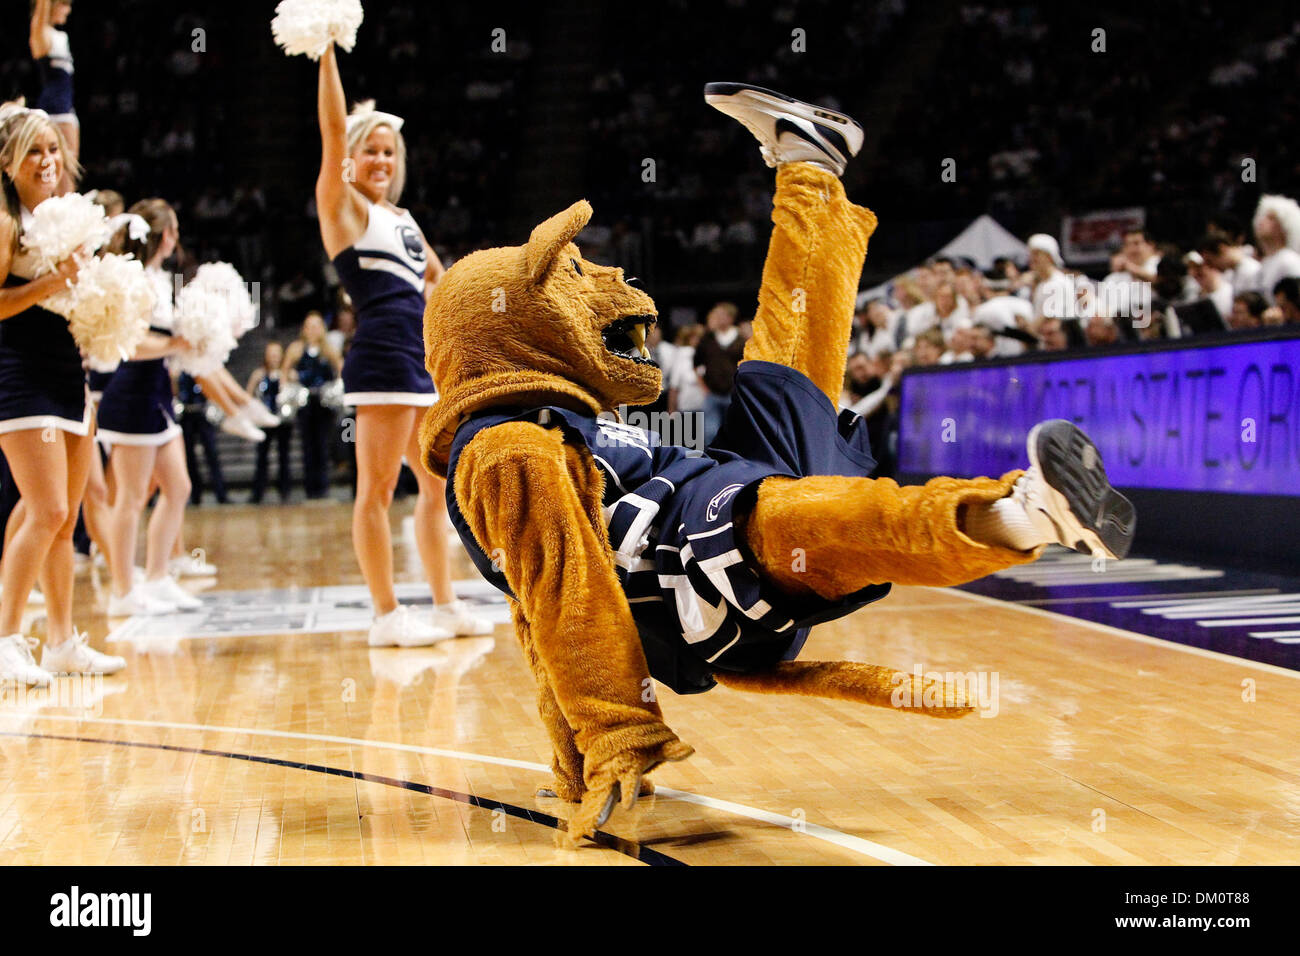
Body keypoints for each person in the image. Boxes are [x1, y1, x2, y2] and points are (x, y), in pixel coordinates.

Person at [312, 41, 490, 645]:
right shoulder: (343, 208)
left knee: (436, 486)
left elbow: (441, 280)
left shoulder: (404, 219)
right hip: (383, 356)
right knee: (378, 489)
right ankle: (386, 615)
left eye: (389, 151)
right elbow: (332, 131)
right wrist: (327, 49)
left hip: (420, 359)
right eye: (370, 151)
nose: (381, 160)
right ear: (351, 159)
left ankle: (443, 603)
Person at [0, 103, 122, 684]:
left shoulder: (60, 215)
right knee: (45, 509)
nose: (47, 160)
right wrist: (57, 279)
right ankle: (5, 639)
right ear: (8, 161)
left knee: (66, 515)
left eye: (52, 149)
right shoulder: (4, 221)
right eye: (34, 151)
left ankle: (61, 642)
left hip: (65, 369)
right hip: (18, 373)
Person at [97, 199, 201, 616]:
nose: (177, 237)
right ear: (165, 234)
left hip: (158, 391)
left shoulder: (160, 278)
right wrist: (177, 344)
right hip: (132, 394)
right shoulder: (135, 278)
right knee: (131, 498)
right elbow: (129, 345)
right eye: (174, 229)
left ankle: (157, 579)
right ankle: (124, 591)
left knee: (178, 488)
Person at [282, 311, 342, 498]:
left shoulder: (328, 348)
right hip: (304, 402)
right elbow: (285, 371)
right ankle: (310, 488)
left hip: (324, 401)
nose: (313, 329)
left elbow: (340, 368)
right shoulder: (296, 348)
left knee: (323, 444)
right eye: (309, 325)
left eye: (317, 325)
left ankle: (323, 487)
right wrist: (288, 385)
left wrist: (337, 389)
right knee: (307, 445)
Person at [27, 1, 77, 195]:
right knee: (59, 172)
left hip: (67, 109)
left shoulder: (61, 36)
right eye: (64, 4)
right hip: (54, 112)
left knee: (69, 171)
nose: (68, 10)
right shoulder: (42, 33)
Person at [246, 342, 291, 503]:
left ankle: (285, 491)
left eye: (277, 353)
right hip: (264, 420)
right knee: (262, 457)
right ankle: (258, 493)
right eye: (271, 353)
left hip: (283, 420)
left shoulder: (288, 374)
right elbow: (248, 395)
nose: (274, 357)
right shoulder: (258, 374)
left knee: (284, 456)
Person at [693, 301, 744, 444]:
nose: (718, 318)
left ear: (730, 318)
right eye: (717, 315)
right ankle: (712, 463)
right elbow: (696, 364)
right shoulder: (707, 339)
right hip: (712, 393)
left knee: (735, 431)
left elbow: (747, 365)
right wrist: (703, 387)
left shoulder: (741, 340)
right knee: (709, 433)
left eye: (722, 315)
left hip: (733, 393)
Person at [176, 372, 227, 504]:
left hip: (203, 413)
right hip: (186, 414)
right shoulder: (177, 368)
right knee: (189, 457)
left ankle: (221, 494)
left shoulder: (202, 366)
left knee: (212, 454)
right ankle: (195, 495)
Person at [1251, 195, 1300, 304]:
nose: (1262, 221)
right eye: (1263, 216)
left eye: (1271, 218)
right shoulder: (1266, 262)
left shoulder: (1289, 261)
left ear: (1285, 225)